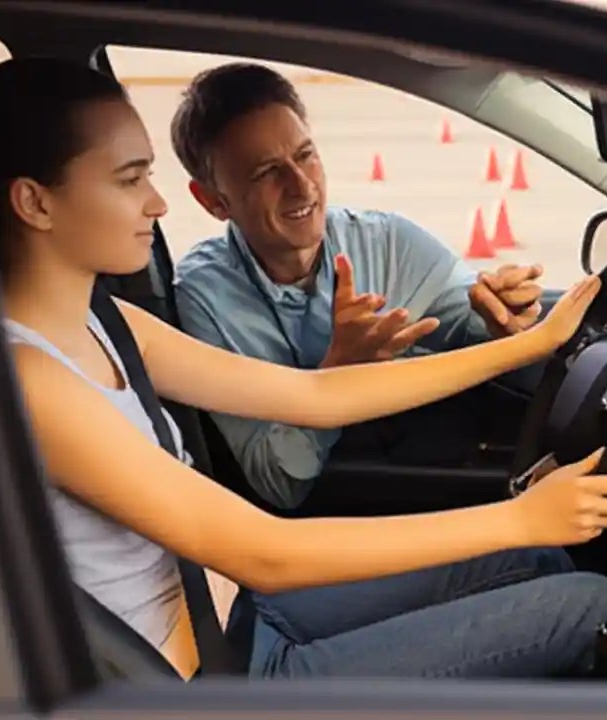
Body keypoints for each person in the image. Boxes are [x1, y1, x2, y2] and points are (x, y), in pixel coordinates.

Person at [0, 56, 607, 681]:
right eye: (130, 178)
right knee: (590, 606)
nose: (157, 202)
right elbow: (264, 549)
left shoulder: (107, 321)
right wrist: (521, 516)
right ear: (35, 202)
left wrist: (526, 345)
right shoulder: (29, 379)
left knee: (540, 565)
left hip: (240, 613)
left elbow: (314, 394)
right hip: (224, 672)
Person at [170, 63, 547, 512]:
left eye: (305, 154)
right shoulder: (204, 297)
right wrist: (337, 374)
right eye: (266, 172)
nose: (301, 184)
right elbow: (276, 484)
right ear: (213, 201)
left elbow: (472, 321)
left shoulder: (388, 244)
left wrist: (502, 314)